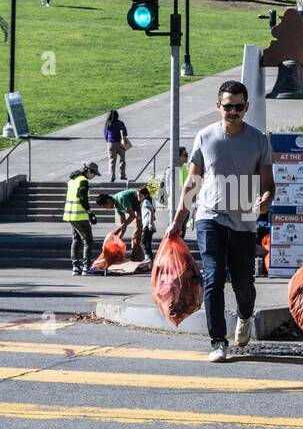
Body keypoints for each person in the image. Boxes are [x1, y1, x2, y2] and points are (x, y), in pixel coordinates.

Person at [166, 80, 275, 363]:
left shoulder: (258, 139)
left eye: (239, 107)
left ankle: (245, 315)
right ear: (219, 107)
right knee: (213, 278)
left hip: (243, 220)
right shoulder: (205, 137)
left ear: (246, 107)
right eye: (228, 107)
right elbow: (192, 182)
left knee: (243, 284)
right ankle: (218, 341)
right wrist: (178, 219)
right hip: (209, 216)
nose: (234, 112)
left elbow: (268, 184)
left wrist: (265, 199)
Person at [62, 162, 98, 276]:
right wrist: (90, 213)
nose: (94, 176)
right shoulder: (83, 180)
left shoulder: (72, 180)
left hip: (70, 215)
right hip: (80, 216)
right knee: (88, 241)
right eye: (94, 174)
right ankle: (86, 268)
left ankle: (75, 267)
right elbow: (82, 198)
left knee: (76, 240)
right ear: (89, 171)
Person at [96, 188, 143, 259]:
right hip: (137, 209)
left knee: (136, 236)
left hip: (143, 204)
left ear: (108, 201)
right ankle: (139, 259)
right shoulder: (117, 206)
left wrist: (118, 229)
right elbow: (123, 224)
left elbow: (132, 216)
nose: (106, 208)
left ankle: (137, 260)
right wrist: (119, 238)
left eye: (105, 206)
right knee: (135, 237)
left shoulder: (121, 198)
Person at [104, 110, 129, 181]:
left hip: (110, 143)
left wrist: (108, 141)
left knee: (112, 160)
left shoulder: (108, 124)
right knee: (122, 159)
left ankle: (112, 176)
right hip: (120, 143)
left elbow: (105, 134)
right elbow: (125, 133)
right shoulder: (120, 123)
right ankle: (122, 175)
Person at [139, 187, 156, 261]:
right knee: (147, 244)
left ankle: (148, 258)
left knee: (143, 243)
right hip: (148, 225)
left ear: (145, 195)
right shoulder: (147, 201)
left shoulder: (146, 201)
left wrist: (150, 223)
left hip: (147, 225)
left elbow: (151, 211)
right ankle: (150, 260)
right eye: (138, 196)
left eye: (140, 196)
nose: (139, 197)